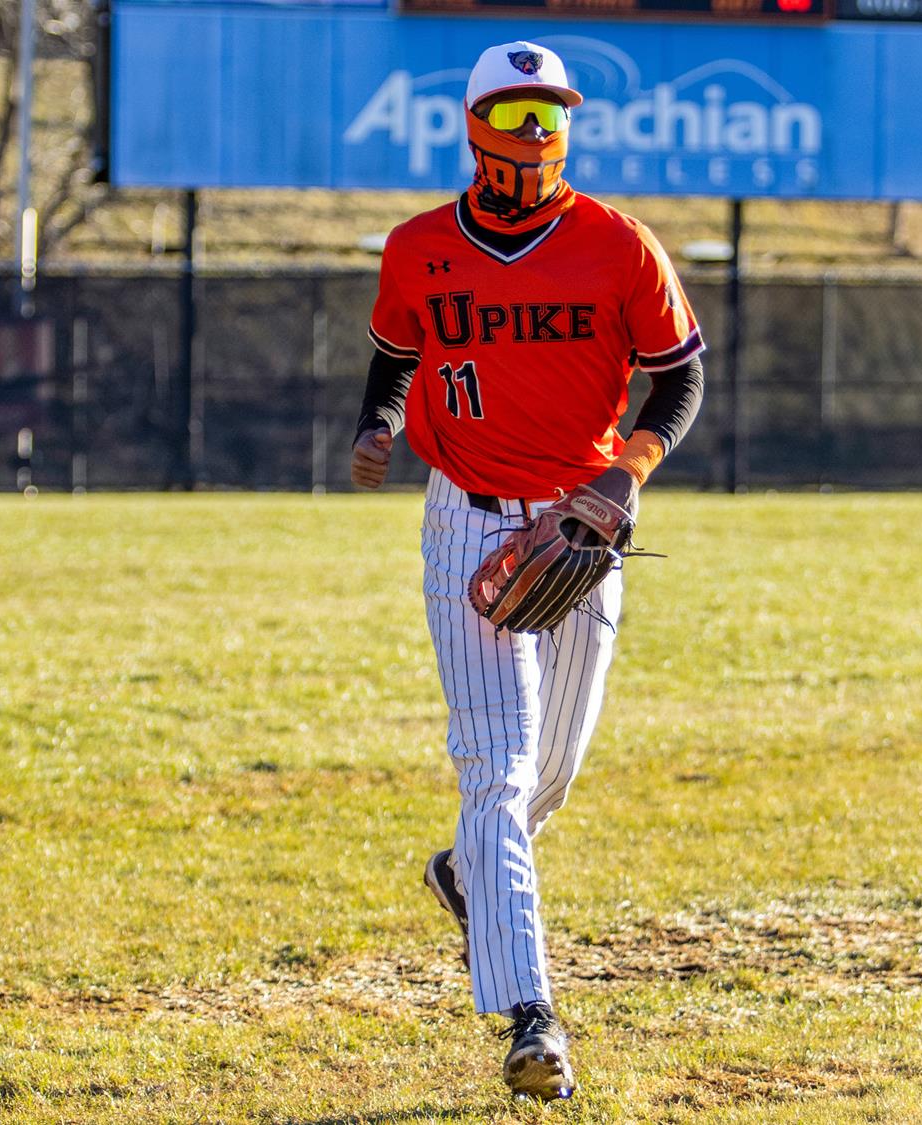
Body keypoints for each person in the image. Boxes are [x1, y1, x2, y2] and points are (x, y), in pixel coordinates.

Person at [349, 40, 706, 1100]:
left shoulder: (617, 244)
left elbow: (678, 381)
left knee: (547, 779)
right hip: (466, 524)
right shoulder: (418, 247)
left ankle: (465, 877)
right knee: (494, 771)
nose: (535, 131)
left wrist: (622, 479)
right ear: (473, 128)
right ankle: (530, 1014)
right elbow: (393, 357)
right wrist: (376, 425)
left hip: (580, 533)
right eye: (513, 113)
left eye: (551, 112)